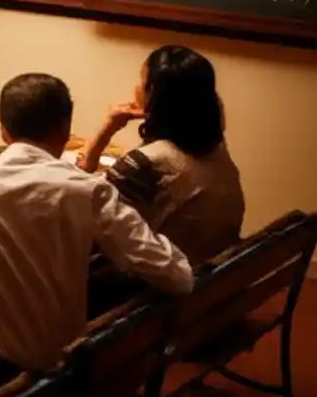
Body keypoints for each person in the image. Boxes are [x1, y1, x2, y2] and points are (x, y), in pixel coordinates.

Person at [0, 73, 194, 396]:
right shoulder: (89, 191)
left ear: (4, 132)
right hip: (68, 370)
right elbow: (178, 276)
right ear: (65, 129)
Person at [77, 46, 244, 264]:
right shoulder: (216, 148)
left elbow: (76, 205)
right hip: (213, 272)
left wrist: (105, 129)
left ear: (154, 93)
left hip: (163, 288)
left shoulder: (146, 163)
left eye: (142, 80)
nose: (136, 87)